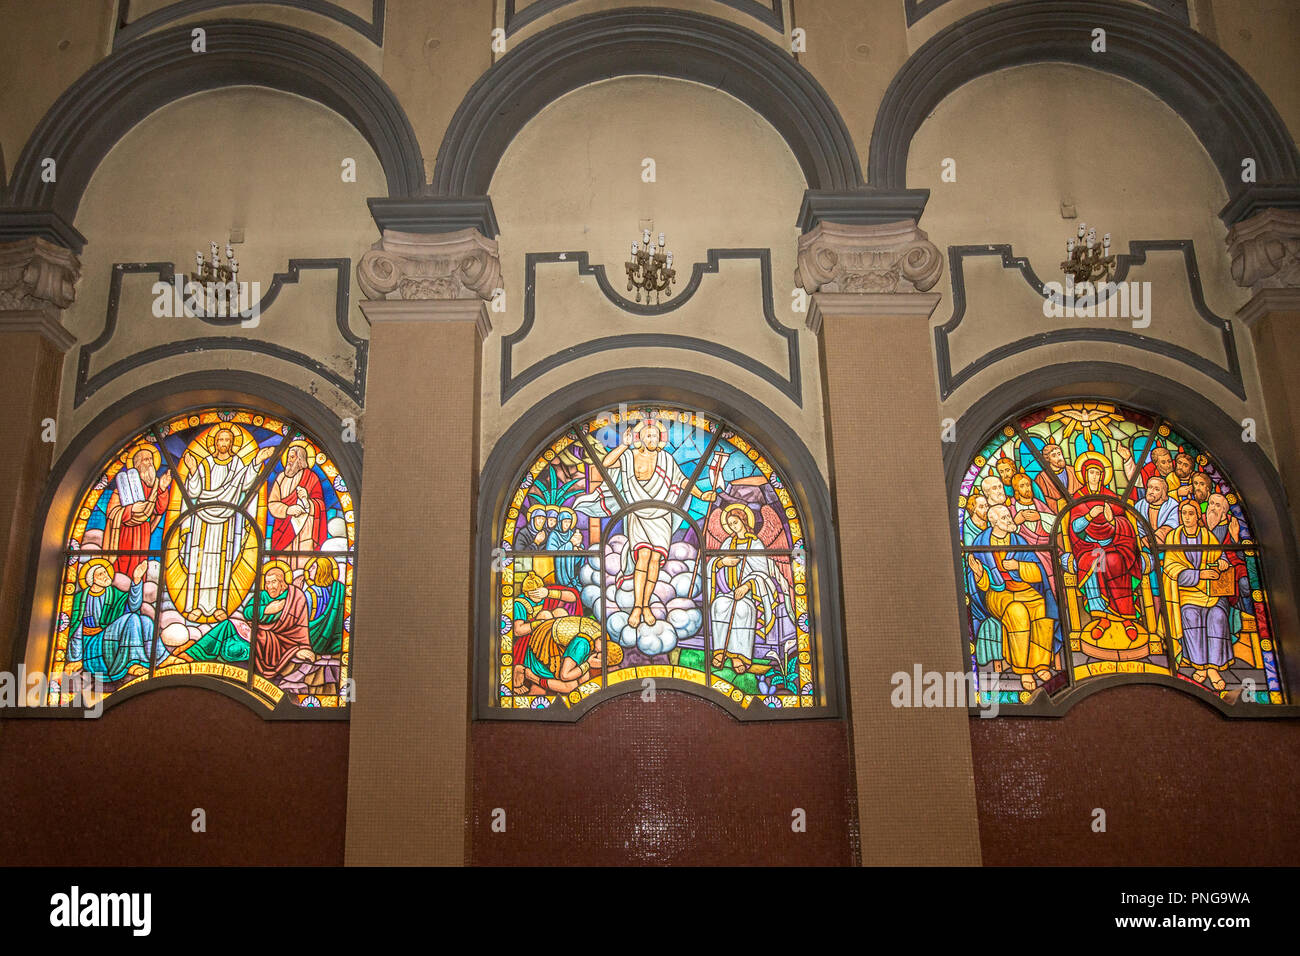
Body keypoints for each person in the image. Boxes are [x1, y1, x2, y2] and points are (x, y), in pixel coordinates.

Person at [573, 419, 715, 628]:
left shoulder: (666, 459)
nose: (652, 439)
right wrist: (623, 445)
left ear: (660, 440)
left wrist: (701, 494)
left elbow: (683, 481)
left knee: (655, 560)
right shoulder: (630, 456)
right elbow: (606, 464)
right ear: (639, 438)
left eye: (656, 436)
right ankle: (637, 606)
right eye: (648, 435)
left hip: (662, 516)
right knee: (643, 557)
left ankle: (647, 605)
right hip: (638, 513)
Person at [177, 427, 274, 618]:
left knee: (225, 561)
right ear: (215, 442)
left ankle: (220, 606)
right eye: (220, 439)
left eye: (227, 440)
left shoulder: (237, 463)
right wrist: (193, 470)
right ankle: (195, 606)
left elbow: (245, 483)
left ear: (232, 443)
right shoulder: (205, 463)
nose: (223, 443)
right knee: (199, 560)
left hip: (227, 520)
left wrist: (257, 461)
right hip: (201, 519)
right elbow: (194, 492)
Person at [966, 505, 1061, 692]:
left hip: (1023, 588)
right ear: (993, 522)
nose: (1009, 520)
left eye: (1008, 516)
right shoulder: (981, 542)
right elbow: (980, 586)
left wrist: (1018, 566)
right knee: (1017, 612)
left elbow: (1037, 573)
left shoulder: (1018, 540)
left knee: (1043, 608)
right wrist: (979, 575)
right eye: (1003, 518)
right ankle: (1023, 669)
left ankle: (1040, 663)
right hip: (997, 593)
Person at [174, 561, 315, 680]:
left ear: (282, 582)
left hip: (276, 641)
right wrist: (265, 610)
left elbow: (299, 628)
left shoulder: (295, 597)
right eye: (267, 583)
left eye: (273, 582)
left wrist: (300, 648)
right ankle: (194, 653)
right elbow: (248, 612)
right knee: (228, 624)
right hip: (256, 631)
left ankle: (194, 653)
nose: (269, 586)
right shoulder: (263, 595)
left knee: (232, 643)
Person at [1066, 452, 1146, 646]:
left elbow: (1124, 523)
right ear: (1084, 475)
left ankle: (1127, 616)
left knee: (1116, 561)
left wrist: (1112, 520)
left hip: (1115, 543)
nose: (1095, 476)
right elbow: (1074, 528)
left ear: (1103, 475)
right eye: (1091, 472)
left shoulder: (1112, 497)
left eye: (1098, 473)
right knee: (1093, 563)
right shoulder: (1077, 498)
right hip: (1088, 545)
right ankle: (1101, 616)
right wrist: (1089, 517)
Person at [708, 504, 795, 675]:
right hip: (727, 590)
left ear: (744, 520)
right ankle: (721, 651)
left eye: (735, 522)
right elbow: (714, 564)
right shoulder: (727, 542)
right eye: (730, 524)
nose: (733, 526)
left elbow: (762, 572)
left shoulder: (755, 543)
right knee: (719, 605)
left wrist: (747, 585)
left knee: (743, 609)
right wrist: (722, 562)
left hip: (751, 594)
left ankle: (739, 655)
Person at [1163, 502, 1233, 691]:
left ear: (1197, 516)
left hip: (1211, 592)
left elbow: (1220, 557)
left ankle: (1213, 668)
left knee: (1218, 617)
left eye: (1190, 513)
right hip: (1186, 594)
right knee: (1190, 616)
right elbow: (1171, 569)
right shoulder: (1173, 537)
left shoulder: (1207, 536)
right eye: (1183, 513)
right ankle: (1199, 665)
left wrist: (1222, 563)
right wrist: (1198, 574)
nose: (1187, 517)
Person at [65, 558, 162, 682]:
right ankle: (132, 663)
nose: (105, 576)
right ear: (91, 579)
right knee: (132, 619)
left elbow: (133, 606)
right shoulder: (81, 599)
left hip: (112, 641)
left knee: (146, 621)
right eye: (100, 574)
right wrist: (76, 659)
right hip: (93, 647)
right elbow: (76, 629)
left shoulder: (114, 594)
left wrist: (136, 580)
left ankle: (160, 658)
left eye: (105, 572)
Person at [104, 446, 173, 576]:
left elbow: (159, 509)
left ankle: (136, 586)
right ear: (137, 464)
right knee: (123, 563)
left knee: (140, 565)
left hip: (143, 532)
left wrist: (162, 489)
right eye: (146, 460)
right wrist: (130, 509)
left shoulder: (153, 488)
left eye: (151, 460)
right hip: (124, 533)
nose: (150, 463)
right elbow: (112, 512)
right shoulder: (123, 487)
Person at [268, 440, 327, 556]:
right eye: (288, 457)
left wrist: (306, 500)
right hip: (282, 529)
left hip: (305, 529)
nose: (288, 461)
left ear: (300, 459)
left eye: (292, 457)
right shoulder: (280, 478)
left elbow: (320, 505)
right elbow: (272, 502)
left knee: (302, 559)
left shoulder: (311, 477)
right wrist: (287, 510)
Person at [1034, 442, 1078, 512]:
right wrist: (1060, 503)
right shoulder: (1042, 478)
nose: (1059, 458)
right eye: (1054, 456)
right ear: (1048, 459)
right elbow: (1041, 501)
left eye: (1059, 454)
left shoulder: (1073, 471)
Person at [1136, 475, 1179, 544]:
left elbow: (1171, 525)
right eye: (1150, 487)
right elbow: (1137, 527)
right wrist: (1143, 538)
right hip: (1144, 545)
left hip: (1165, 545)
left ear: (1163, 493)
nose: (1151, 491)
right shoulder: (1140, 505)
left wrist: (1154, 540)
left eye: (1156, 489)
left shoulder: (1172, 506)